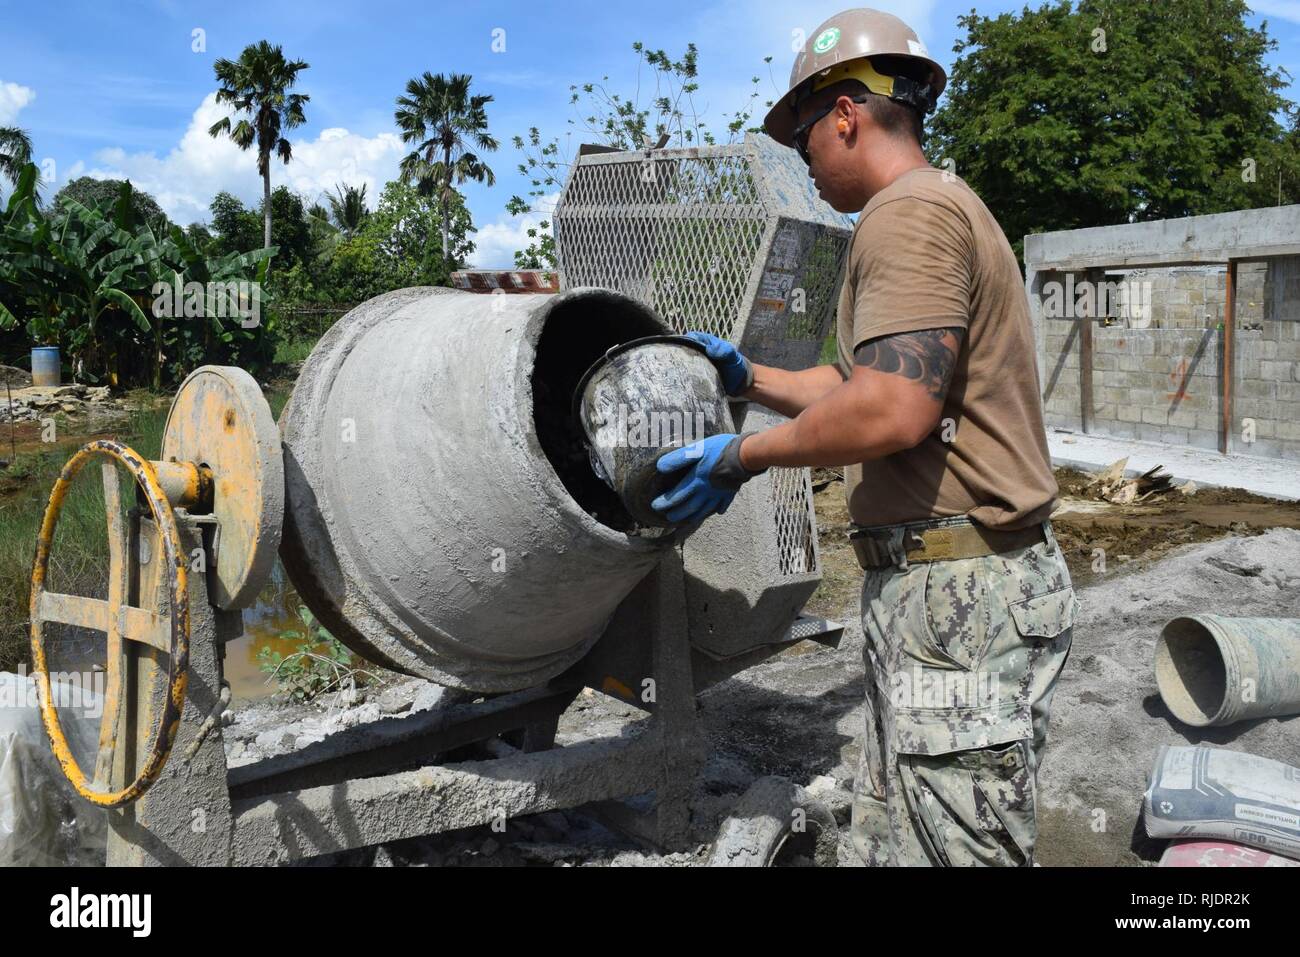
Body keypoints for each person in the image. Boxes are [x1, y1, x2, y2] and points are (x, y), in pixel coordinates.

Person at [653, 7, 1077, 866]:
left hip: (961, 598)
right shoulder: (935, 206)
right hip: (946, 588)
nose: (803, 159)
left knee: (958, 846)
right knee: (904, 835)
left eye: (804, 133)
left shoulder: (906, 215)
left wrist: (740, 457)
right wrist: (747, 377)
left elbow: (892, 412)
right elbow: (860, 385)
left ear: (845, 113)